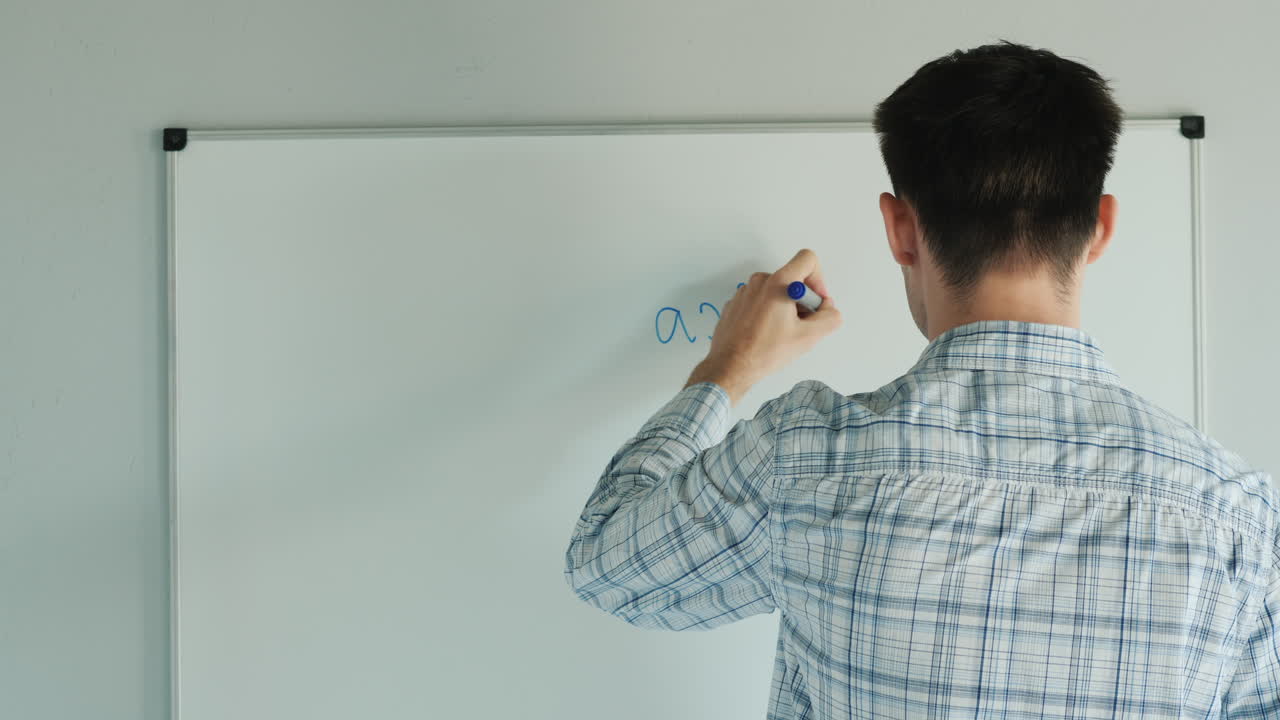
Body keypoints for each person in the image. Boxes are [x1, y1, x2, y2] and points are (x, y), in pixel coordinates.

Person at [563, 41, 1274, 719]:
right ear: (1101, 226)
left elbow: (605, 563)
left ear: (900, 229)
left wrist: (728, 367)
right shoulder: (1237, 518)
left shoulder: (805, 461)